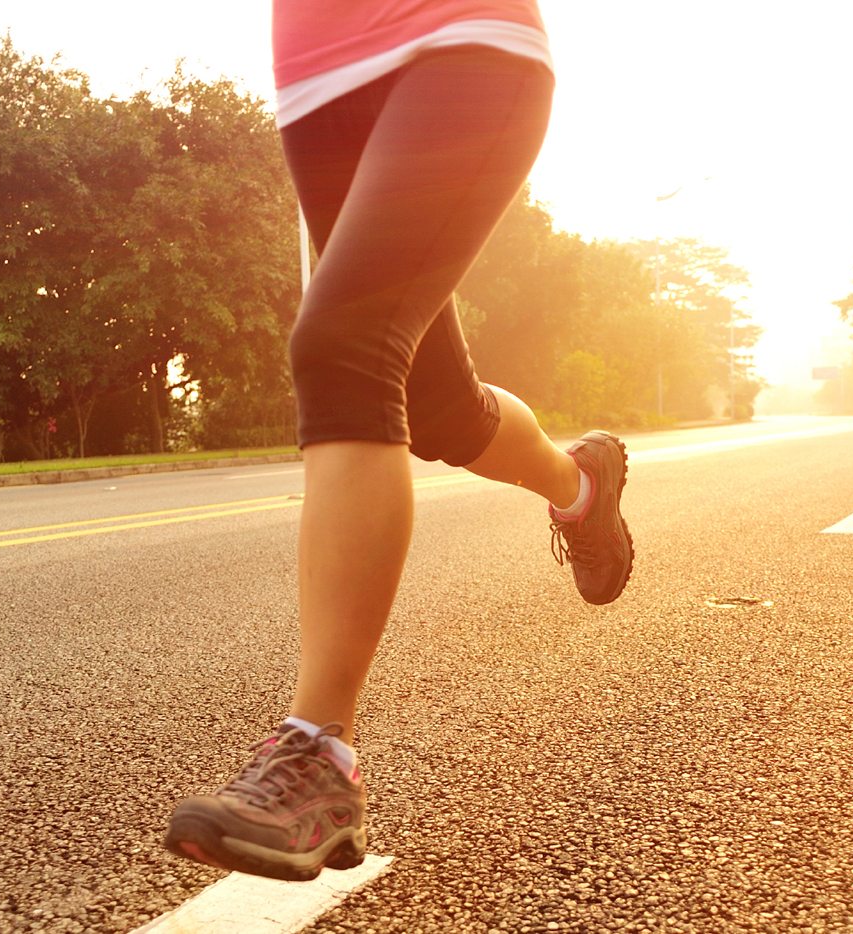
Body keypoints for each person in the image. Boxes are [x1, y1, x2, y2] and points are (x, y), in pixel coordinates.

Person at [163, 0, 633, 882]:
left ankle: (316, 758)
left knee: (343, 343)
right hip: (318, 83)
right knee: (440, 407)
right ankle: (579, 485)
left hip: (459, 43)